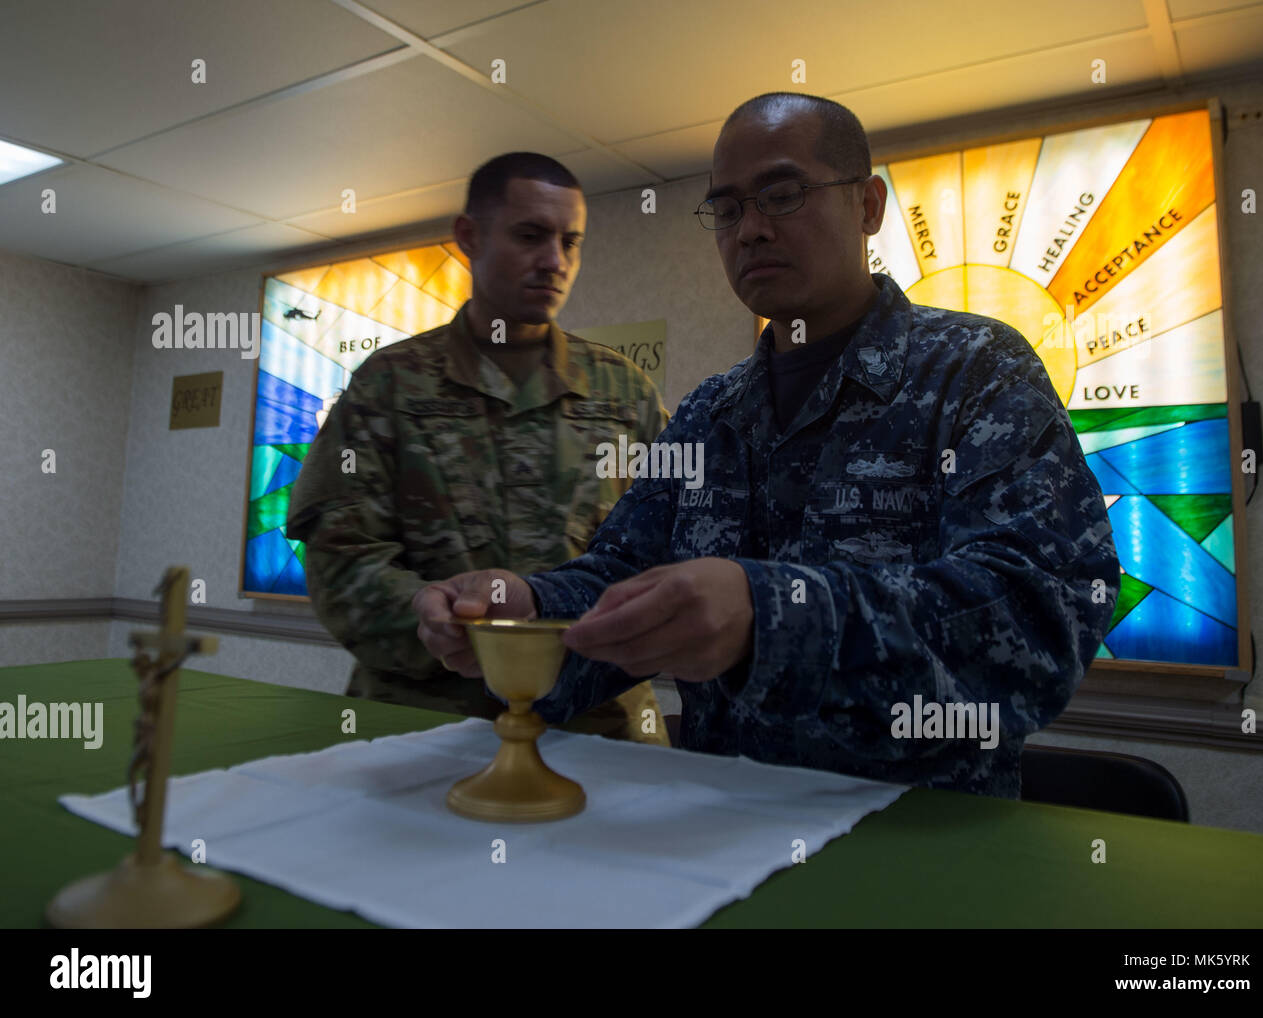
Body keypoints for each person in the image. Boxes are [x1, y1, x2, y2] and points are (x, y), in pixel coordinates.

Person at [411, 95, 1120, 797]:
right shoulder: (709, 412)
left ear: (868, 206)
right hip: (717, 842)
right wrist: (526, 606)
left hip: (910, 849)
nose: (749, 230)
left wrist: (768, 615)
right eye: (726, 209)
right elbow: (624, 577)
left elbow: (1038, 617)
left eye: (782, 195)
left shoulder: (975, 371)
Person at [286, 152, 669, 745]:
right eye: (530, 235)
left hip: (597, 730)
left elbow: (672, 543)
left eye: (571, 242)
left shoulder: (625, 393)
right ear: (469, 236)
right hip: (423, 725)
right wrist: (421, 613)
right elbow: (339, 552)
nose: (555, 261)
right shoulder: (390, 384)